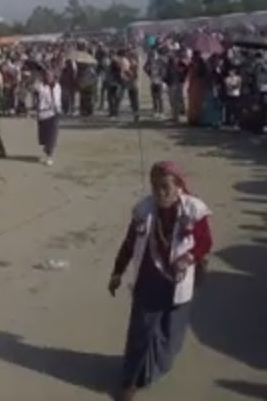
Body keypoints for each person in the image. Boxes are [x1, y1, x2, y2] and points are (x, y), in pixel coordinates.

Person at [109, 161, 212, 401]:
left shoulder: (194, 210)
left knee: (170, 337)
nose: (160, 192)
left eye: (165, 186)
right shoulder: (143, 211)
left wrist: (188, 258)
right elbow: (128, 244)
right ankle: (129, 382)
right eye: (155, 186)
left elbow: (205, 241)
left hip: (180, 284)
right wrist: (117, 273)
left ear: (179, 187)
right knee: (140, 334)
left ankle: (151, 370)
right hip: (149, 283)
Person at [34, 70, 61, 167]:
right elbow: (35, 90)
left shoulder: (56, 86)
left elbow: (57, 99)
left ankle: (50, 156)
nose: (48, 78)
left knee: (52, 136)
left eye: (50, 76)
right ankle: (47, 150)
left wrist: (56, 107)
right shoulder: (40, 86)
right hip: (42, 114)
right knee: (44, 137)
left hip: (53, 114)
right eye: (46, 76)